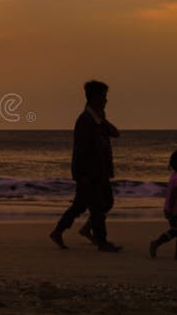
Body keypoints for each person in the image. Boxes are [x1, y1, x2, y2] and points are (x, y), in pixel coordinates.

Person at [49, 80, 122, 252]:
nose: (106, 101)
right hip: (90, 173)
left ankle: (60, 231)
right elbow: (81, 151)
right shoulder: (85, 121)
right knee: (96, 207)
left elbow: (116, 133)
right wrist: (82, 176)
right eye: (103, 97)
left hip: (101, 171)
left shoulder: (97, 121)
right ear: (94, 98)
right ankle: (101, 241)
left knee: (92, 204)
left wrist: (103, 119)